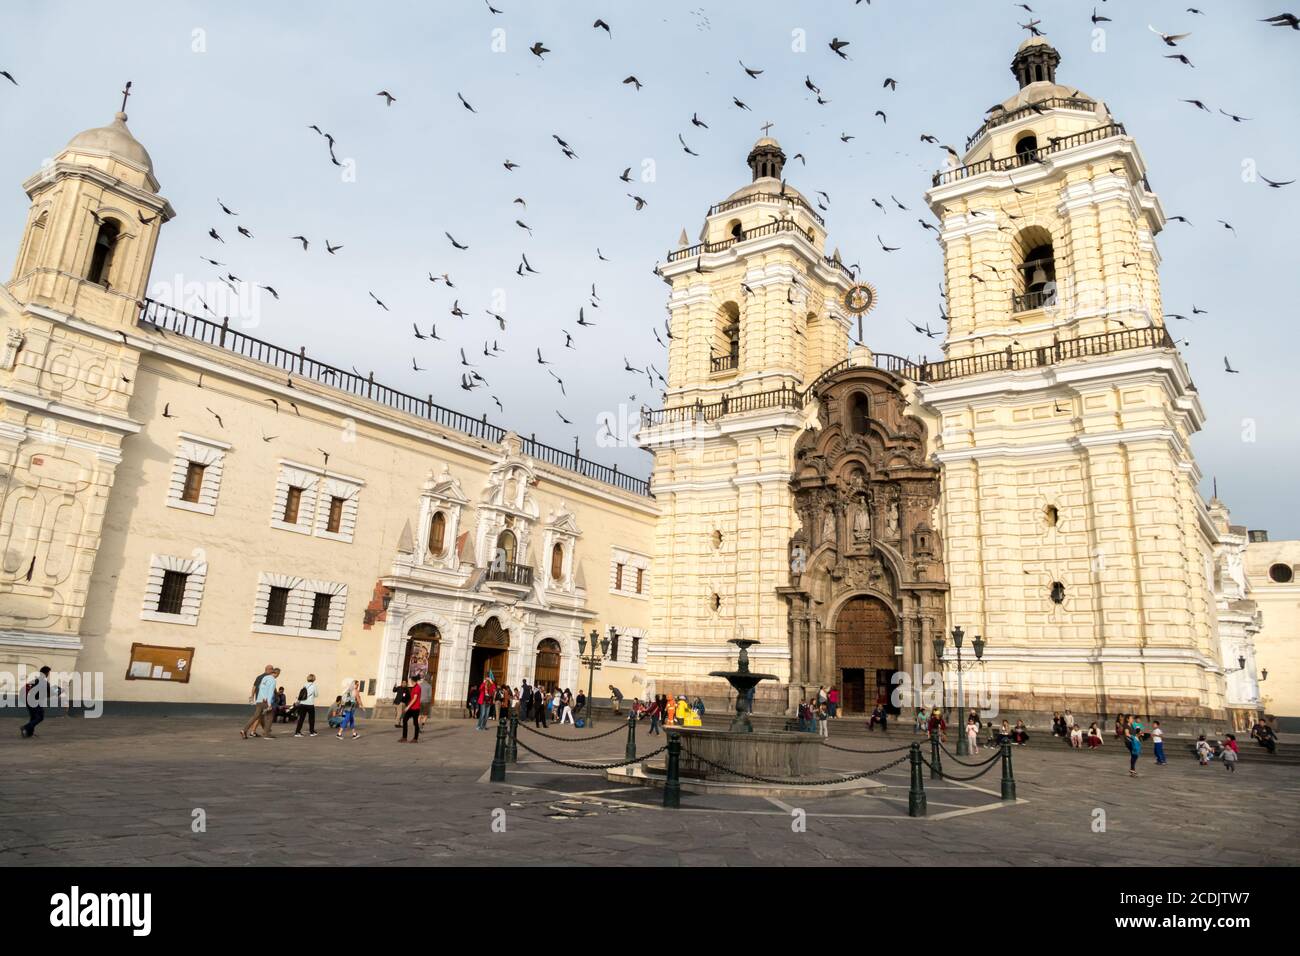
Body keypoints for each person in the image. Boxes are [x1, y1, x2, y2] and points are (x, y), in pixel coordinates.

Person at [242, 664, 278, 739]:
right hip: (265, 701)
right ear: (273, 672)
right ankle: (266, 734)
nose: (277, 676)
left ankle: (244, 730)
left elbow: (259, 688)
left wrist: (254, 698)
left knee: (256, 716)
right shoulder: (272, 680)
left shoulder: (263, 678)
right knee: (270, 716)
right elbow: (270, 692)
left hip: (259, 700)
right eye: (277, 674)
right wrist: (269, 703)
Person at [19, 665, 52, 739]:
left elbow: (23, 689)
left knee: (33, 717)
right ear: (46, 673)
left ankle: (29, 734)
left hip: (29, 701)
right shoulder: (45, 683)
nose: (48, 675)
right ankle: (25, 727)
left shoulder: (34, 681)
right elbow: (49, 695)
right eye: (48, 673)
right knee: (40, 717)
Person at [400, 676, 422, 743]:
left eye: (410, 681)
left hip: (415, 708)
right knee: (404, 720)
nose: (410, 682)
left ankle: (415, 738)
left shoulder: (417, 687)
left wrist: (408, 707)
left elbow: (415, 699)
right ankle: (404, 737)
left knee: (415, 723)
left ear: (413, 681)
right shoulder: (414, 687)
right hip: (411, 708)